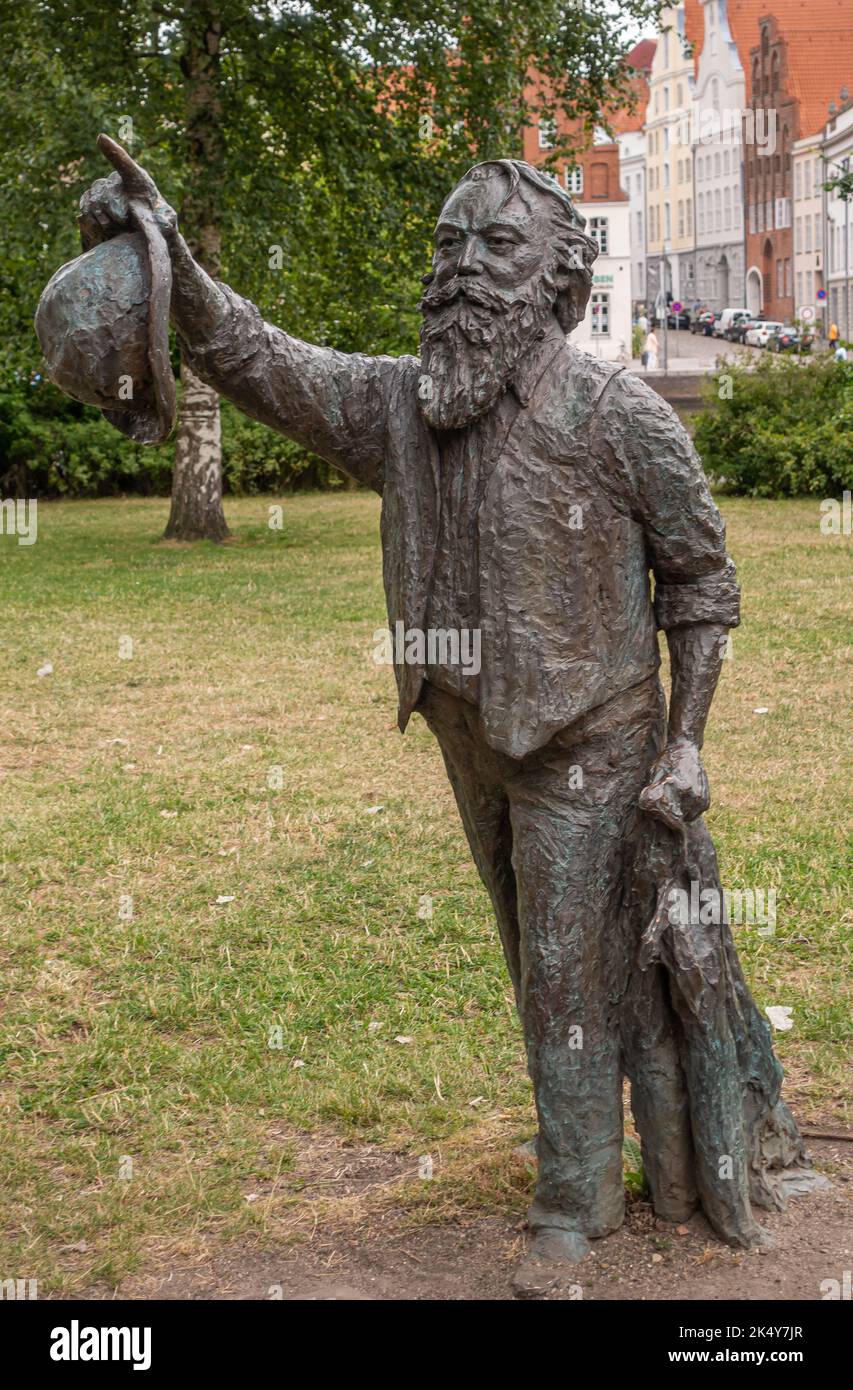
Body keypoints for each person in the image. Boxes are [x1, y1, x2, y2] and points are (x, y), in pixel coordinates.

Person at [76, 145, 813, 1294]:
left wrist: (686, 743)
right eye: (448, 244)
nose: (462, 269)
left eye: (497, 247)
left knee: (570, 976)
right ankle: (618, 1157)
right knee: (544, 970)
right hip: (475, 736)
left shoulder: (617, 416)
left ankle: (573, 1207)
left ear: (562, 287)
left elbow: (702, 586)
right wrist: (165, 250)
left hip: (589, 743)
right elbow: (253, 355)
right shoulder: (396, 408)